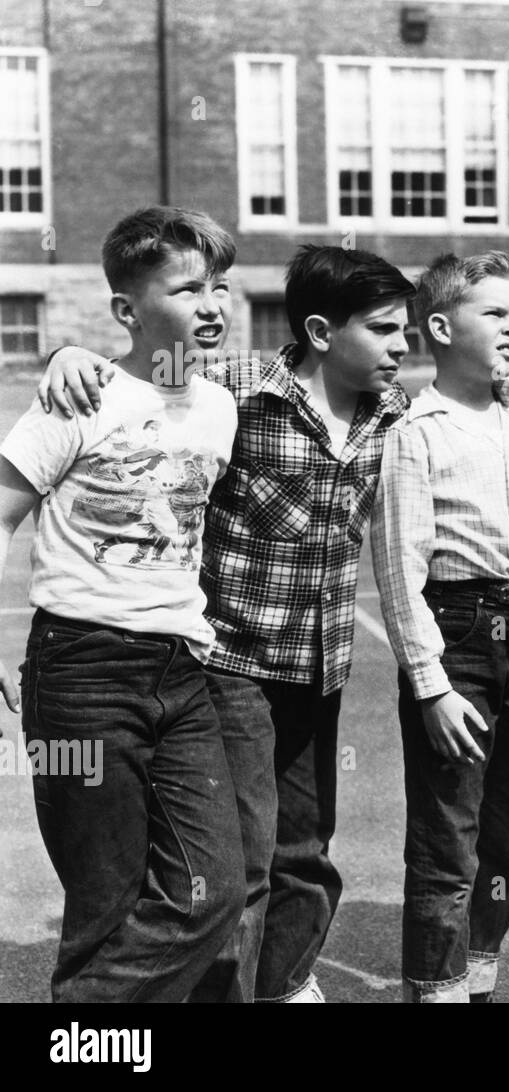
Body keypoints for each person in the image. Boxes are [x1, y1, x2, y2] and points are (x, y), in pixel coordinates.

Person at [40, 247, 509, 1003]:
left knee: (306, 854)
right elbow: (138, 368)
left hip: (319, 669)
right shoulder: (236, 385)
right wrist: (68, 354)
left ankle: (282, 983)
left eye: (405, 330)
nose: (401, 347)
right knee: (244, 862)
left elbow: (467, 405)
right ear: (320, 331)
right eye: (382, 331)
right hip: (230, 664)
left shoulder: (397, 417)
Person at [0, 205, 242, 1001]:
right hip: (82, 669)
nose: (211, 305)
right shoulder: (79, 396)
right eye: (186, 289)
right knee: (104, 903)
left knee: (212, 891)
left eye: (219, 287)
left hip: (180, 669)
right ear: (127, 311)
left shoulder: (221, 405)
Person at [371, 251, 509, 1003]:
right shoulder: (415, 432)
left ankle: (478, 977)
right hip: (458, 636)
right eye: (494, 313)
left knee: (508, 836)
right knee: (446, 841)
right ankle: (434, 988)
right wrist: (430, 687)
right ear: (438, 327)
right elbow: (400, 570)